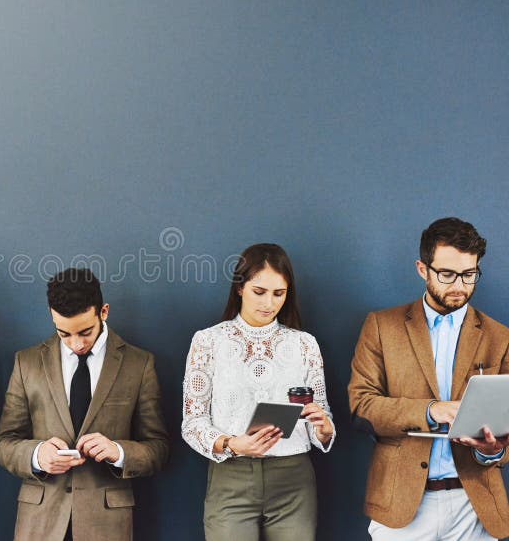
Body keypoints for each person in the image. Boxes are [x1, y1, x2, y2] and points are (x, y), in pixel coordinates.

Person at [349, 217, 509, 540]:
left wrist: (492, 450)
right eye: (447, 274)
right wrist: (431, 410)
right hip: (401, 504)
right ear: (422, 269)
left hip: (475, 504)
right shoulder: (381, 326)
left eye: (469, 274)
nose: (459, 285)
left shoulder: (500, 337)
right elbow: (361, 407)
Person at [0, 268, 169, 541]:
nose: (76, 344)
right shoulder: (26, 363)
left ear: (104, 312)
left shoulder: (139, 364)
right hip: (40, 522)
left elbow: (158, 448)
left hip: (106, 521)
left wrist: (118, 451)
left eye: (85, 332)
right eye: (63, 334)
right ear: (52, 316)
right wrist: (37, 455)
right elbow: (4, 442)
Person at [182, 243, 335, 541]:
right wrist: (232, 444)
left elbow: (321, 416)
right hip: (231, 475)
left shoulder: (305, 344)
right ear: (240, 288)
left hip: (294, 478)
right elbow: (193, 422)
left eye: (279, 293)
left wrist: (325, 429)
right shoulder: (208, 341)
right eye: (259, 291)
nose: (269, 302)